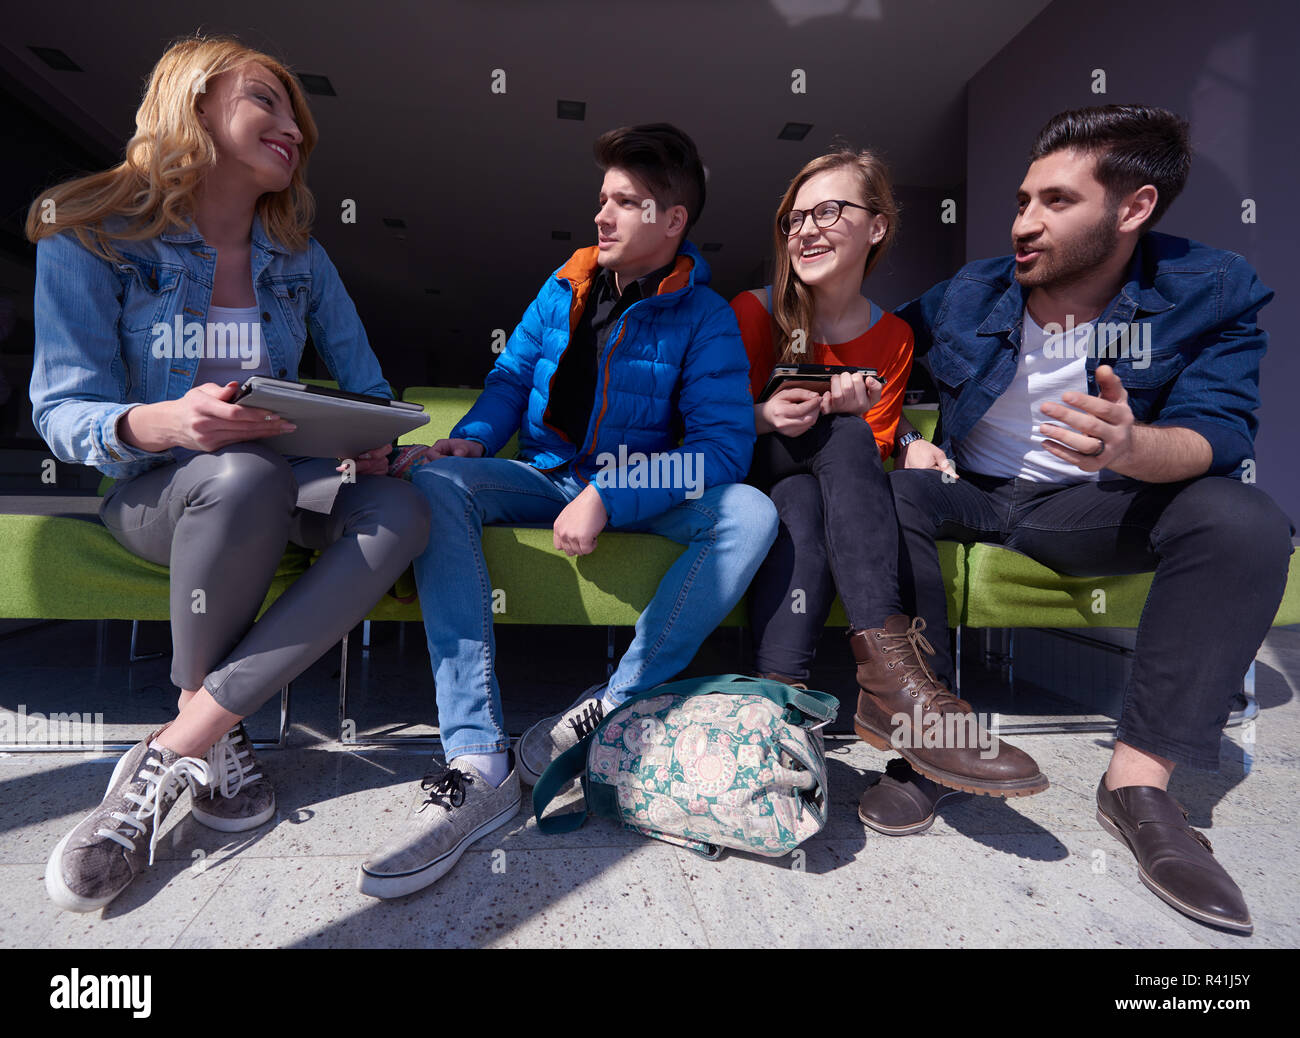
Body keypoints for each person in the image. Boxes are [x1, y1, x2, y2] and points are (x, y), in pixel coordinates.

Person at [29, 35, 431, 912]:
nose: (293, 129)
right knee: (240, 472)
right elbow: (61, 414)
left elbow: (368, 389)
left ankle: (183, 742)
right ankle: (206, 733)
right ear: (193, 107)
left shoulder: (300, 256)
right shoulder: (89, 233)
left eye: (298, 116)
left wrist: (369, 438)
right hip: (154, 490)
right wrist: (170, 420)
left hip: (282, 481)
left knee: (400, 507)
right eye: (267, 103)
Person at [873, 104, 1292, 934]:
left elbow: (1219, 434)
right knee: (874, 490)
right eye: (1024, 200)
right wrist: (896, 444)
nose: (1025, 224)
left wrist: (1134, 446)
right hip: (976, 489)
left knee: (1245, 517)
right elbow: (873, 349)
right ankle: (926, 737)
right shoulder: (969, 292)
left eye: (1057, 203)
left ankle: (1138, 789)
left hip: (1094, 504)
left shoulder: (1210, 288)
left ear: (1133, 209)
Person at [358, 123, 778, 898]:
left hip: (638, 489)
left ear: (673, 220)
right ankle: (477, 756)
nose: (603, 215)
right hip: (548, 474)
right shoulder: (565, 286)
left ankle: (613, 705)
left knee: (750, 511)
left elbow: (723, 451)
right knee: (435, 486)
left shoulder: (707, 317)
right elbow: (512, 378)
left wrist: (611, 494)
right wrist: (475, 442)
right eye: (602, 199)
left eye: (626, 201)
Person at [733, 147, 1047, 818]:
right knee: (829, 447)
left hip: (813, 489)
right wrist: (766, 414)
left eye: (828, 211)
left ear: (876, 226)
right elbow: (701, 424)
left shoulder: (896, 336)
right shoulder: (754, 313)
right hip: (746, 474)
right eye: (795, 217)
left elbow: (867, 452)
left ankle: (777, 712)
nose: (805, 230)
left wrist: (904, 442)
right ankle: (896, 681)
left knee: (817, 483)